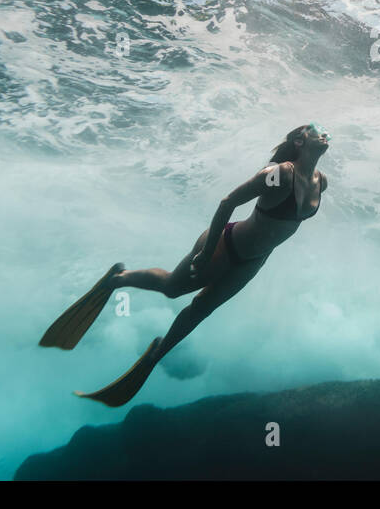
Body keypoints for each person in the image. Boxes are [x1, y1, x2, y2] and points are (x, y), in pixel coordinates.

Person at [39, 122, 330, 406]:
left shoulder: (321, 182)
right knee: (172, 288)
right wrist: (204, 254)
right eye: (317, 129)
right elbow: (228, 202)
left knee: (203, 309)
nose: (325, 133)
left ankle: (155, 355)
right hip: (225, 244)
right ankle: (117, 278)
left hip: (253, 261)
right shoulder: (278, 175)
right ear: (299, 141)